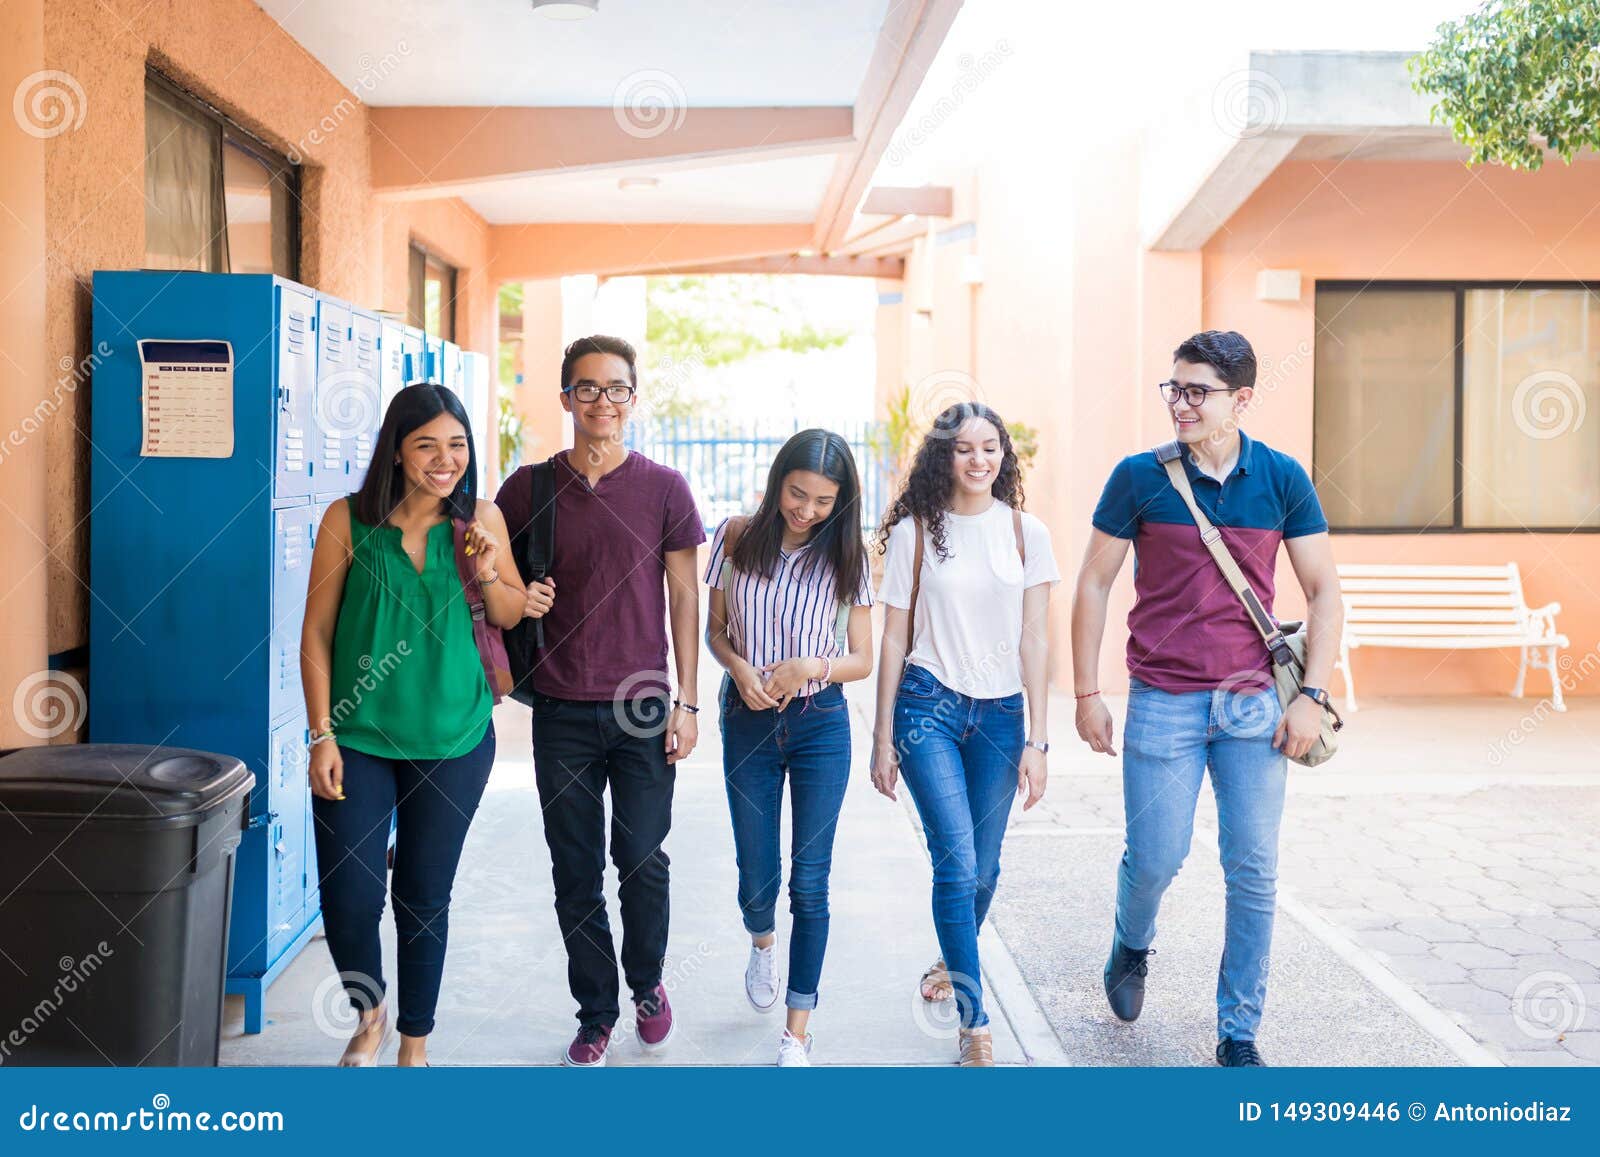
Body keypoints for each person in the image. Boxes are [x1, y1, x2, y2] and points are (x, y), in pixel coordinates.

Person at [1071, 330, 1342, 1067]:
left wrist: (1312, 694)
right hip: (1161, 697)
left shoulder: (1282, 478)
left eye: (1198, 391)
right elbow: (1093, 582)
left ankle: (1239, 1030)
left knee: (1253, 866)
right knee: (1157, 856)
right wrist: (1088, 690)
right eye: (1175, 388)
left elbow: (1323, 591)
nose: (1181, 403)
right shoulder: (1138, 477)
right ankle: (1132, 939)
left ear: (1241, 399)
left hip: (1255, 702)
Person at [495, 335, 705, 1067]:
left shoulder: (665, 489)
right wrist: (524, 598)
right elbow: (487, 581)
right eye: (588, 389)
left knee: (643, 860)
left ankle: (646, 981)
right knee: (575, 868)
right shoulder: (527, 490)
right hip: (559, 708)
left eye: (617, 389)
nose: (603, 403)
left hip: (644, 705)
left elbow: (683, 593)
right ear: (565, 399)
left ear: (634, 399)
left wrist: (689, 702)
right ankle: (596, 1012)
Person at [301, 382, 525, 1067]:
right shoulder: (347, 519)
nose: (444, 458)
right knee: (349, 896)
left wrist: (488, 568)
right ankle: (369, 1014)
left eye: (456, 444)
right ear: (397, 451)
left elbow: (512, 613)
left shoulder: (481, 518)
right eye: (426, 444)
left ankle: (414, 1045)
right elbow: (315, 633)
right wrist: (321, 734)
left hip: (454, 737)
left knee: (423, 895)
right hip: (359, 736)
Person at [870, 401, 1060, 1067]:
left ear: (1003, 455)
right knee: (956, 861)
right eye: (964, 449)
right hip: (930, 707)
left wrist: (1039, 739)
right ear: (941, 457)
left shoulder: (1026, 533)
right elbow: (894, 634)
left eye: (990, 447)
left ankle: (952, 958)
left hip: (1004, 717)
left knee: (984, 866)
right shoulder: (915, 532)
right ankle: (976, 1022)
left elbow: (1037, 638)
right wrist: (882, 730)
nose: (979, 460)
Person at [705, 429, 875, 1067]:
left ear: (841, 502)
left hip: (820, 724)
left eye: (822, 501)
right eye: (797, 493)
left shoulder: (848, 555)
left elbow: (860, 658)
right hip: (747, 719)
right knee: (758, 878)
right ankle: (761, 940)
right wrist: (739, 669)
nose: (806, 510)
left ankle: (796, 1033)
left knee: (811, 882)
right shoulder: (734, 536)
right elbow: (716, 631)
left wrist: (810, 665)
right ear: (779, 481)